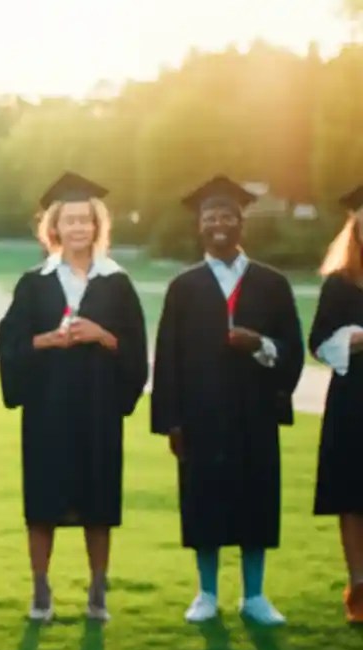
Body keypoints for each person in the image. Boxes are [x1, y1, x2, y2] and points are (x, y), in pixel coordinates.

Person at [151, 175, 304, 626]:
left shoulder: (271, 284)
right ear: (199, 226)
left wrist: (261, 344)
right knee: (204, 502)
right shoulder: (185, 286)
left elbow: (292, 349)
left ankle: (254, 595)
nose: (219, 224)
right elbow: (168, 357)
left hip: (254, 411)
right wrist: (171, 421)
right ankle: (207, 593)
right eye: (210, 217)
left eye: (228, 216)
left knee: (256, 500)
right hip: (201, 415)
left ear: (242, 222)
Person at [0, 172, 148, 623]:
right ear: (54, 228)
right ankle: (41, 591)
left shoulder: (116, 283)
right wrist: (47, 341)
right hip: (47, 409)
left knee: (98, 502)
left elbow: (137, 350)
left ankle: (97, 590)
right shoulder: (34, 282)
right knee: (42, 504)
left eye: (86, 220)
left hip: (99, 410)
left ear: (98, 226)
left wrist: (102, 335)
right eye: (70, 221)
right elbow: (10, 345)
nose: (78, 228)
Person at [307, 183, 363, 624]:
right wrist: (354, 339)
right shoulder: (340, 284)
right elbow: (318, 342)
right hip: (353, 399)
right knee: (352, 494)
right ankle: (358, 584)